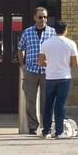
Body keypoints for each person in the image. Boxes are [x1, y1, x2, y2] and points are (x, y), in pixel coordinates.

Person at [37, 20, 78, 140]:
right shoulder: (70, 43)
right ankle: (59, 132)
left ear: (54, 30)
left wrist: (50, 63)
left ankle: (46, 131)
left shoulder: (46, 43)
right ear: (66, 29)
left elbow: (40, 62)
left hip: (50, 77)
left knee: (48, 104)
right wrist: (65, 63)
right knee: (60, 105)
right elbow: (75, 63)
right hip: (64, 77)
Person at [16, 7, 51, 135]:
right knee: (30, 100)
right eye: (40, 17)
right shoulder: (27, 32)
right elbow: (20, 49)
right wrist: (22, 65)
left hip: (47, 71)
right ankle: (33, 126)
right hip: (31, 70)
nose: (43, 19)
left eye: (45, 17)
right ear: (35, 18)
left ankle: (46, 126)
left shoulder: (52, 32)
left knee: (47, 100)